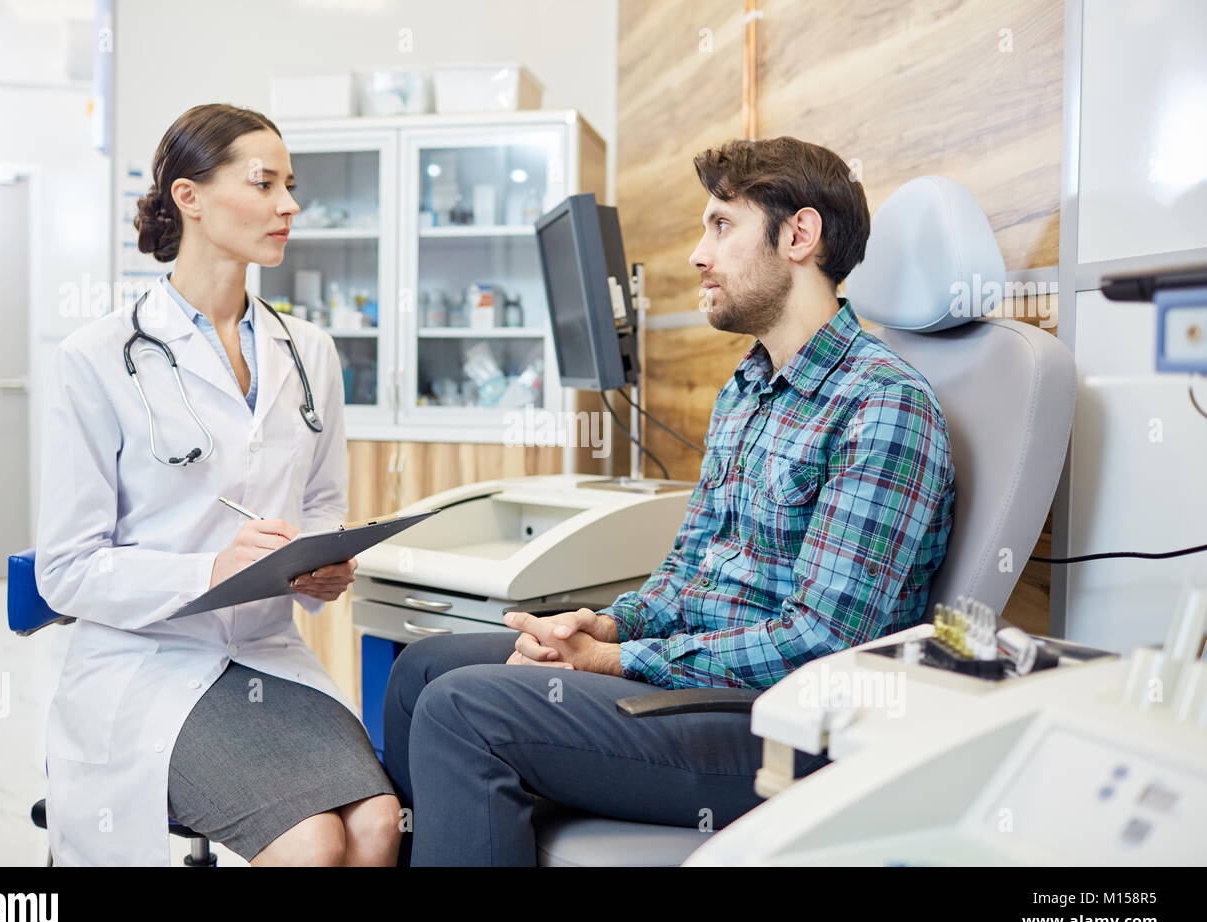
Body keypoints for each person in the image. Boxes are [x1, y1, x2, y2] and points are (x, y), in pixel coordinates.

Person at [383, 136, 956, 865]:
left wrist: (623, 662)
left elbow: (824, 645)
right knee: (421, 671)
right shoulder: (746, 390)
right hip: (698, 686)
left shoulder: (884, 405)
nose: (697, 254)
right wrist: (603, 625)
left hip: (779, 724)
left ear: (800, 236)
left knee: (460, 712)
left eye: (722, 226)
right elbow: (687, 574)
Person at [36, 103, 399, 866]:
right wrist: (208, 569)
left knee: (377, 826)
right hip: (148, 665)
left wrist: (321, 567)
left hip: (267, 654)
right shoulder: (96, 357)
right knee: (309, 843)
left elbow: (322, 505)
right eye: (264, 183)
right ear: (188, 198)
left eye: (290, 185)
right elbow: (66, 570)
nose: (289, 205)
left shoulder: (312, 353)